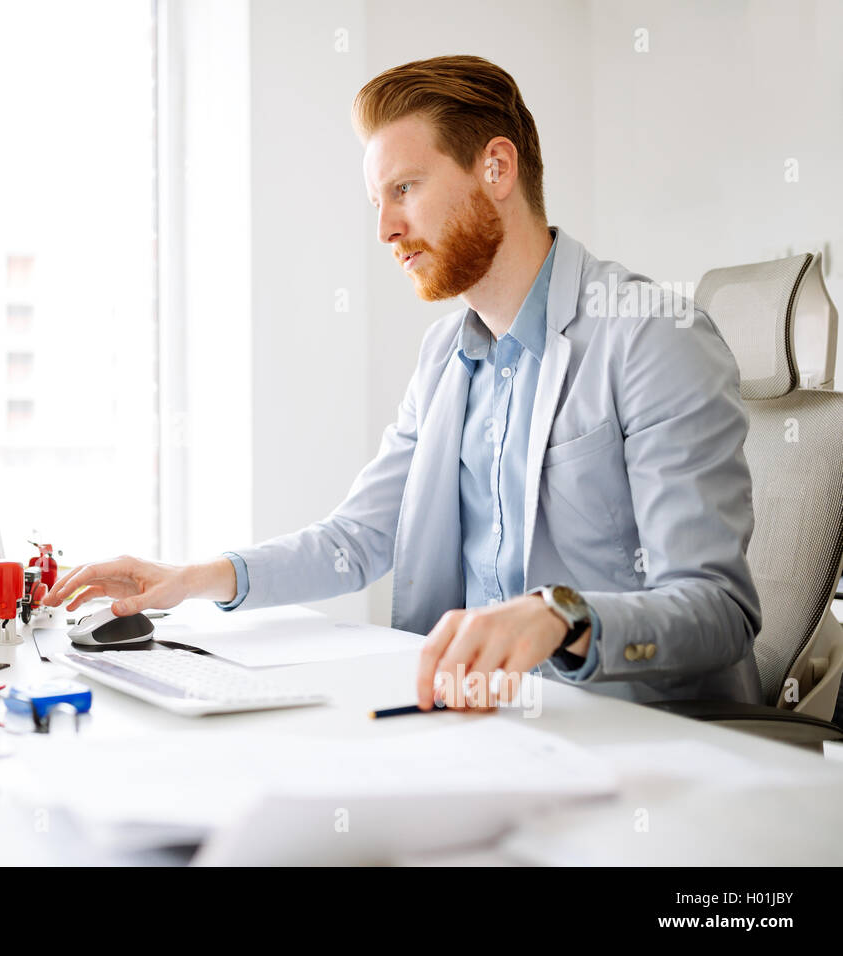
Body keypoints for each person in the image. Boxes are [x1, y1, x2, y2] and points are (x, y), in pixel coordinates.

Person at [44, 54, 761, 711]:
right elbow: (357, 538)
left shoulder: (650, 336)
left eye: (405, 189)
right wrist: (193, 578)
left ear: (496, 169)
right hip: (482, 727)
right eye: (376, 202)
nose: (386, 228)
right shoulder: (447, 354)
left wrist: (562, 615)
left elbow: (718, 609)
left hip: (635, 736)